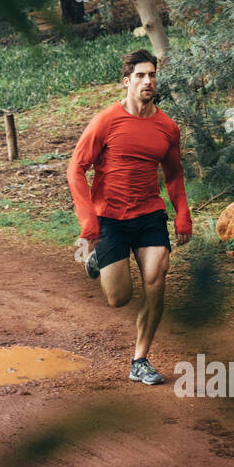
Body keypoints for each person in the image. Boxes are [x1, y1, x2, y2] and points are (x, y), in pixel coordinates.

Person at [67, 49, 192, 386]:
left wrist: (183, 214)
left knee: (156, 278)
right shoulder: (106, 121)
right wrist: (88, 222)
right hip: (110, 218)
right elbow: (75, 169)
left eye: (151, 75)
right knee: (118, 298)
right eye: (140, 75)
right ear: (126, 81)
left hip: (149, 215)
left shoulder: (167, 127)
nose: (147, 81)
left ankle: (140, 360)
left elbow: (174, 175)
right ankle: (97, 260)